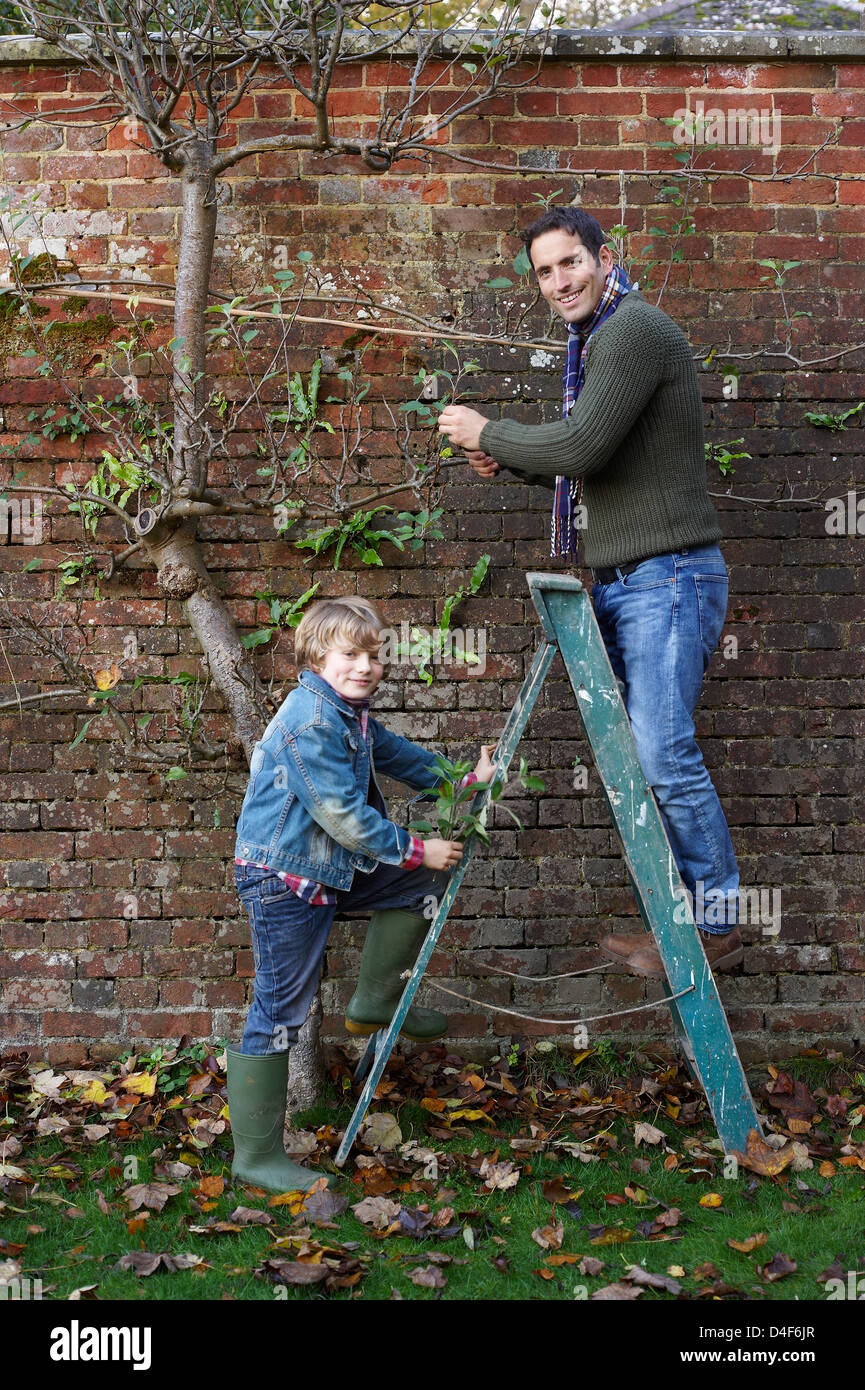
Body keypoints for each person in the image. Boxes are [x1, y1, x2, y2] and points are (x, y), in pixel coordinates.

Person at [437, 205, 743, 982]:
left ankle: (719, 922)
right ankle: (681, 926)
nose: (558, 281)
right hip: (633, 580)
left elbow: (583, 445)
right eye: (543, 271)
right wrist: (507, 458)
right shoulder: (600, 341)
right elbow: (600, 463)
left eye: (569, 262)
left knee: (663, 756)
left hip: (666, 576)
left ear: (605, 258)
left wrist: (488, 432)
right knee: (642, 762)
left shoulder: (633, 332)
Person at [228, 595, 496, 1192]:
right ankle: (255, 1156)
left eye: (373, 655)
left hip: (330, 866)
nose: (365, 666)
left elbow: (401, 757)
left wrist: (464, 779)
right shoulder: (311, 720)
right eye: (350, 653)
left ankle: (373, 1002)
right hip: (284, 878)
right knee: (281, 1011)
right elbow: (338, 814)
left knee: (427, 878)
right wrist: (414, 844)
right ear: (317, 655)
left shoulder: (352, 715)